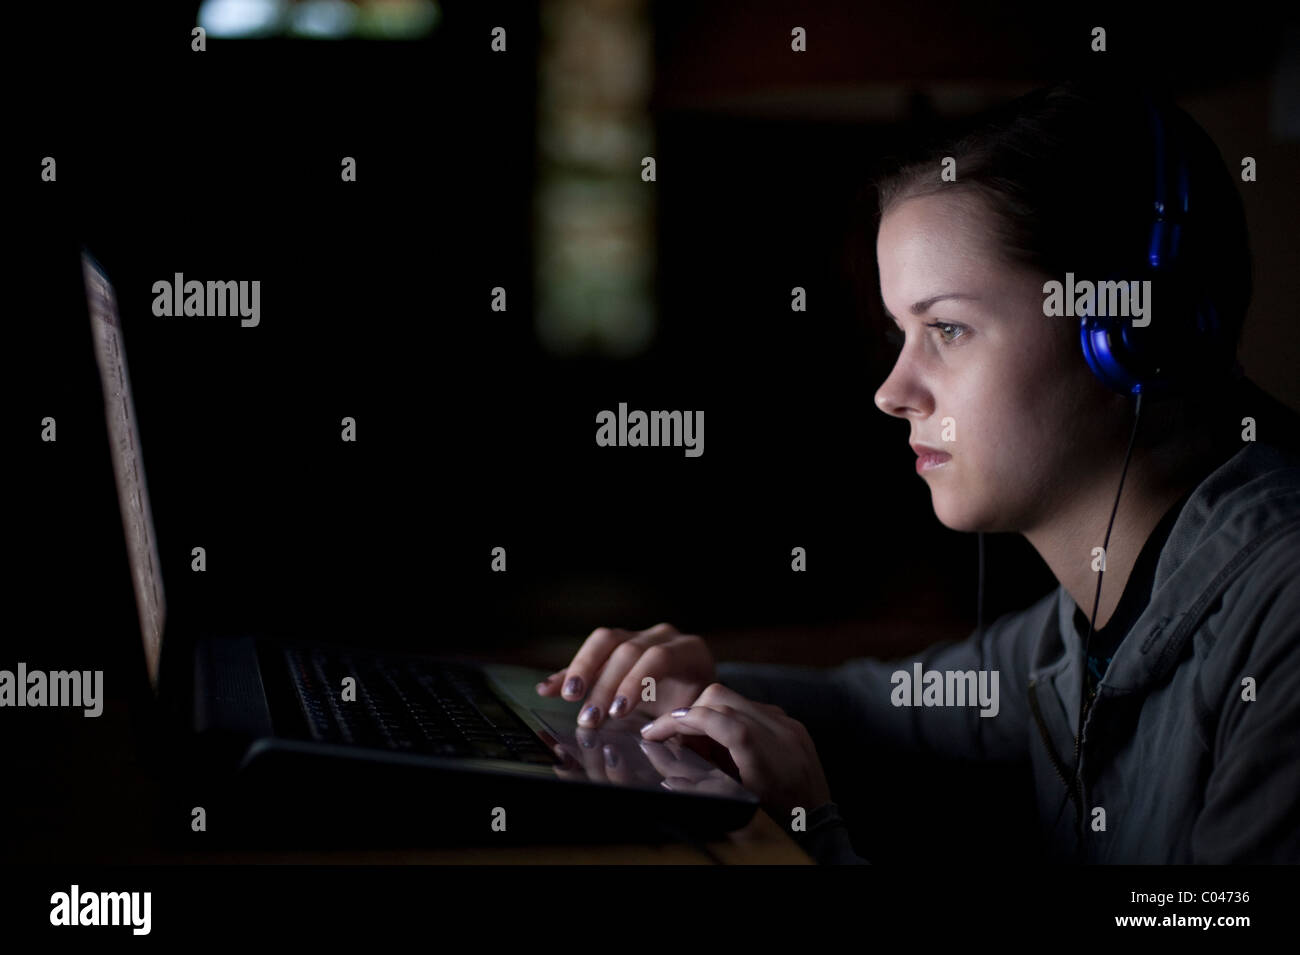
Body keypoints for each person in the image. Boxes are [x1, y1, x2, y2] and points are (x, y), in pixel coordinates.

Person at [536, 79, 1300, 863]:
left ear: (1129, 332)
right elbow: (880, 710)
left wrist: (815, 833)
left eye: (948, 328)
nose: (893, 392)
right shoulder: (1082, 621)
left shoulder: (1282, 618)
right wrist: (690, 692)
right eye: (904, 331)